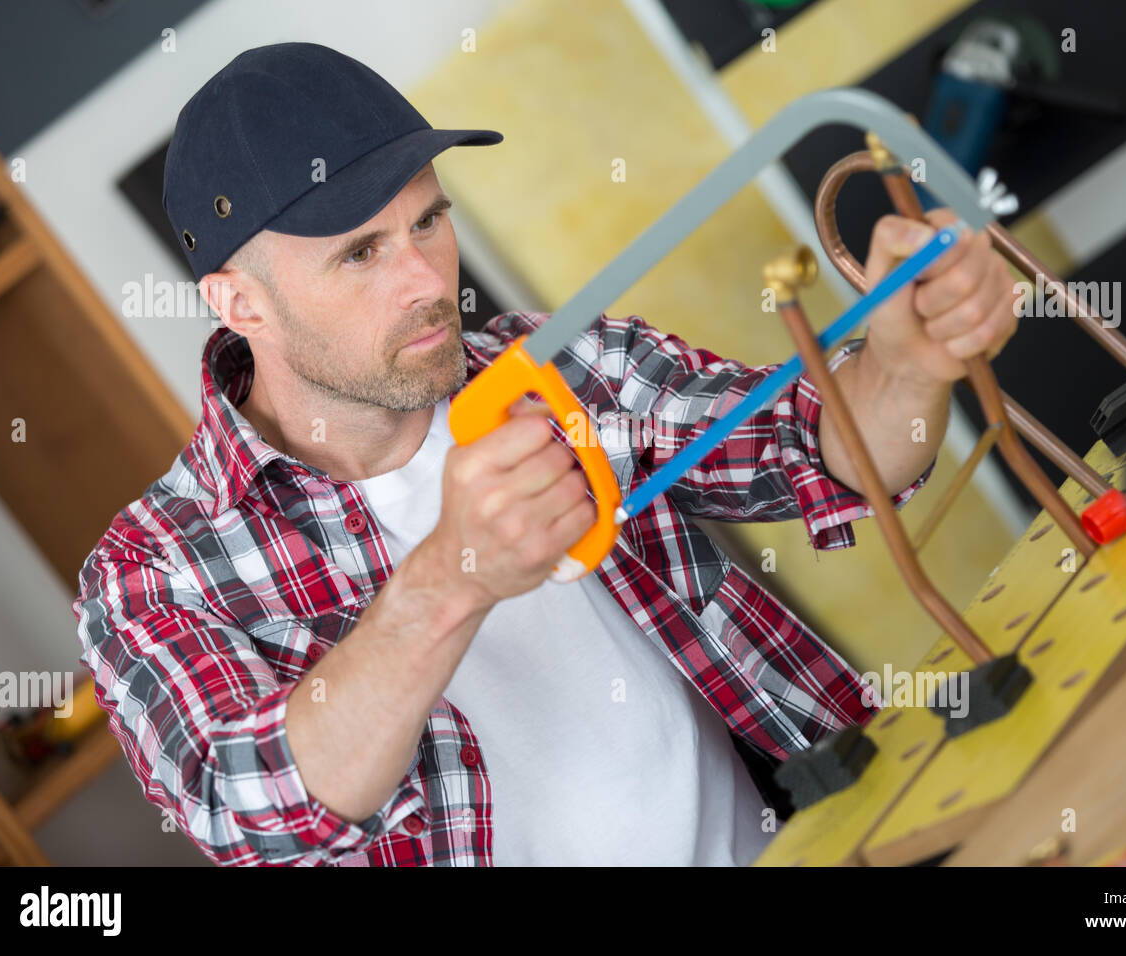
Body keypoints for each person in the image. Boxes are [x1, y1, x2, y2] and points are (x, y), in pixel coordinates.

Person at [73, 42, 1019, 866]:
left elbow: (814, 451)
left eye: (428, 223)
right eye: (360, 254)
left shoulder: (560, 361)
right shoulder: (152, 573)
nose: (423, 282)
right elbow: (254, 812)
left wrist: (907, 363)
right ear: (239, 304)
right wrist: (451, 577)